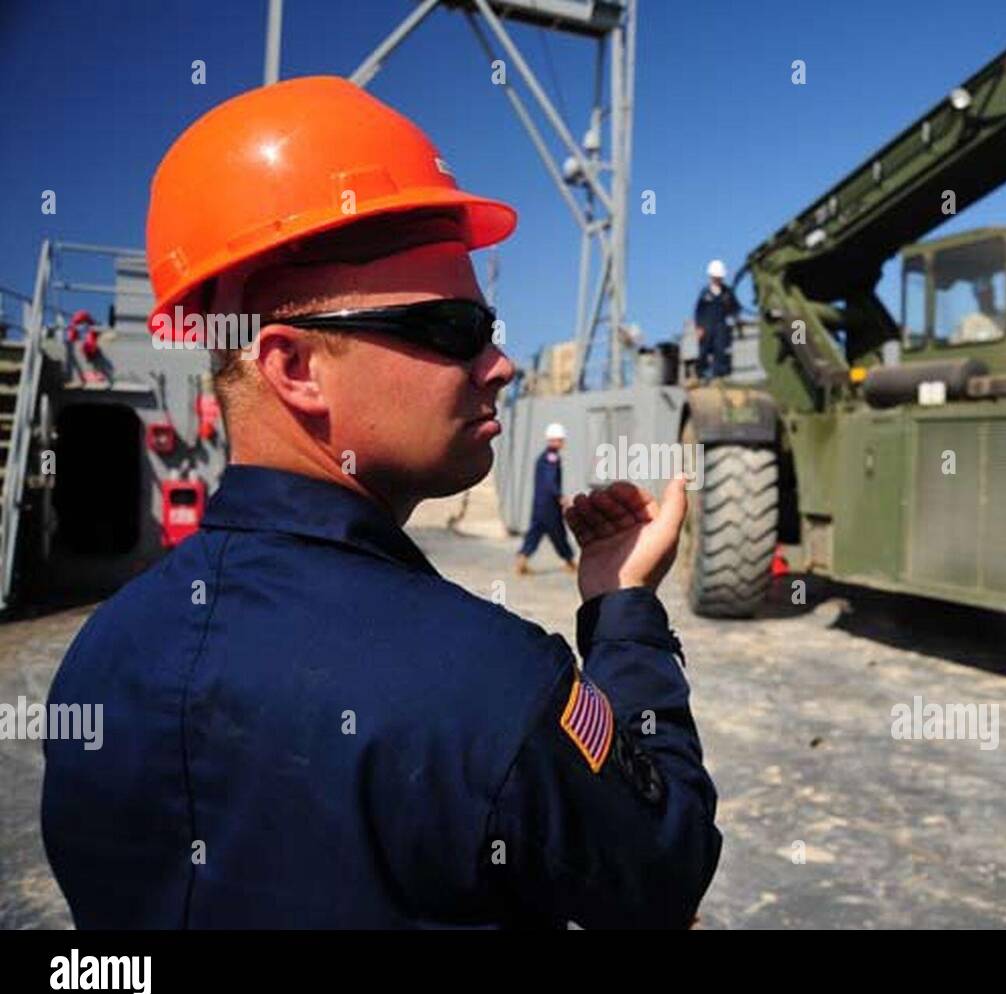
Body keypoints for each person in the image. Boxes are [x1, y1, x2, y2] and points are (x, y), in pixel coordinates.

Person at [40, 76, 721, 930]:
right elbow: (666, 866)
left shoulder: (100, 657)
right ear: (295, 368)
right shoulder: (490, 687)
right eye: (452, 329)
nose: (499, 363)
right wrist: (623, 611)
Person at [516, 422, 576, 575]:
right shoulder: (552, 458)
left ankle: (522, 559)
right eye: (560, 439)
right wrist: (560, 496)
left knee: (535, 533)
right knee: (559, 534)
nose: (562, 443)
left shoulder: (542, 457)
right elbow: (550, 481)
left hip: (539, 504)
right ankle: (570, 562)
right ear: (554, 440)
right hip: (550, 505)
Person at [693, 258, 740, 380]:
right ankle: (701, 374)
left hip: (721, 325)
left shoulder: (727, 292)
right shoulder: (705, 293)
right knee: (704, 351)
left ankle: (720, 375)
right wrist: (699, 327)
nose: (718, 279)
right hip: (707, 326)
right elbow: (698, 311)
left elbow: (736, 307)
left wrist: (734, 317)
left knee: (720, 350)